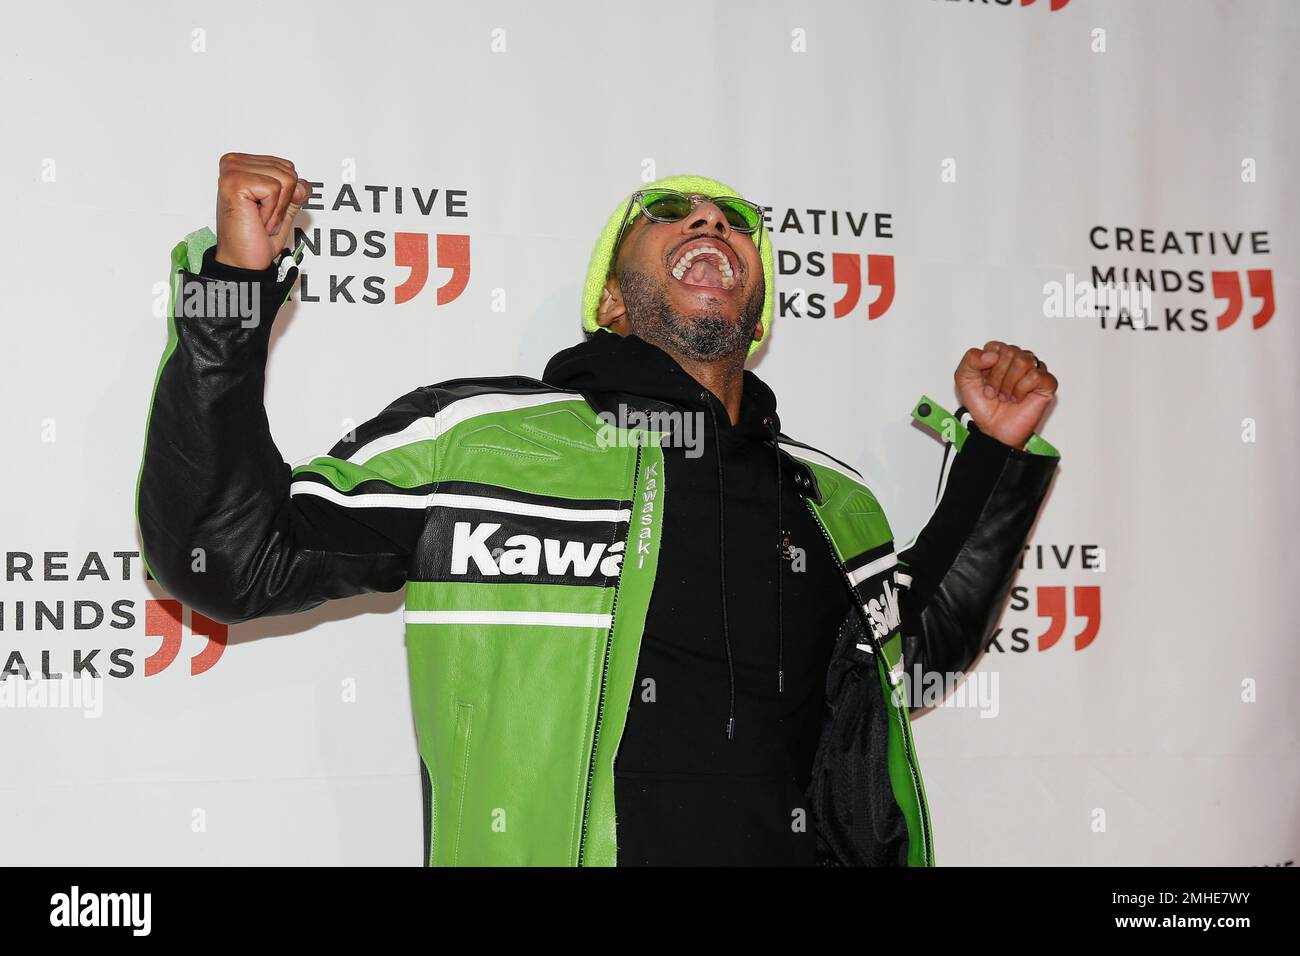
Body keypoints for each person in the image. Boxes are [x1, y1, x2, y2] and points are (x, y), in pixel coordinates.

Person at [137, 153, 1062, 866]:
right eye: (670, 212)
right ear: (612, 299)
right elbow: (230, 560)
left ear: (760, 307)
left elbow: (919, 655)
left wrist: (995, 456)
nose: (711, 219)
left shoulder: (831, 498)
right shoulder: (479, 439)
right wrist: (231, 286)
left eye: (737, 221)